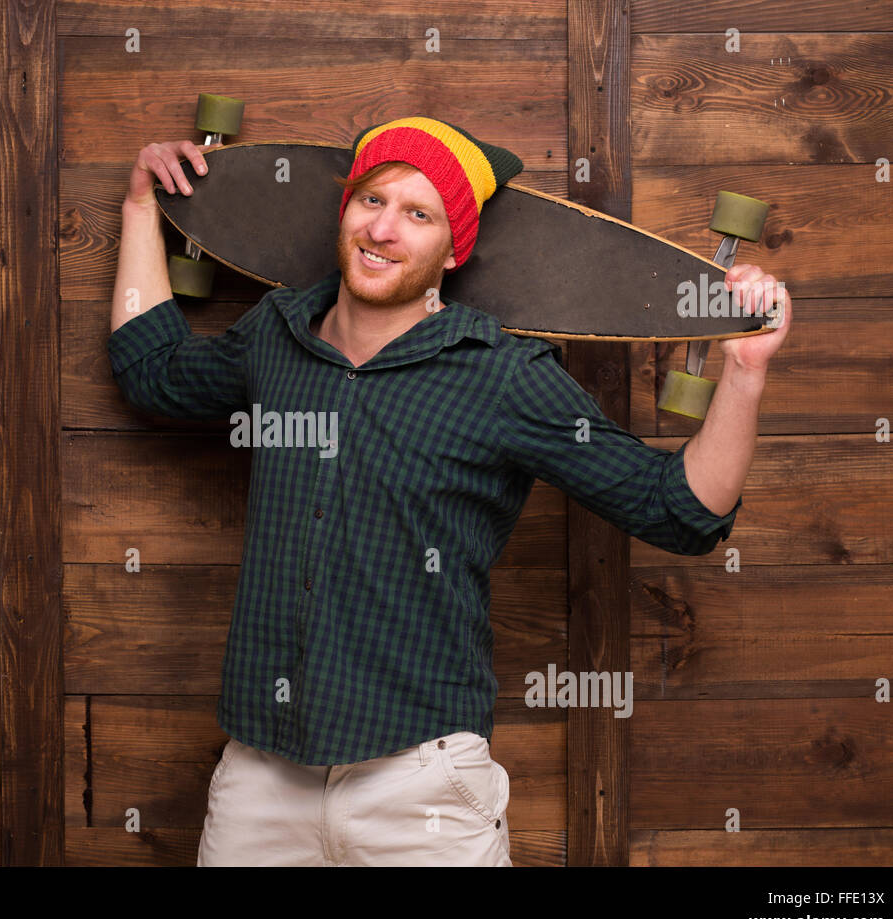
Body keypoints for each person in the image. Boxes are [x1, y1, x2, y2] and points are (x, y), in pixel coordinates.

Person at [108, 116, 792, 866]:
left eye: (418, 214)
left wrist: (746, 372)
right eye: (372, 200)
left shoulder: (502, 375)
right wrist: (143, 205)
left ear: (453, 248)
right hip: (262, 778)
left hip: (420, 787)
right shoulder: (277, 332)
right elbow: (154, 370)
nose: (384, 228)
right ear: (345, 210)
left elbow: (680, 511)